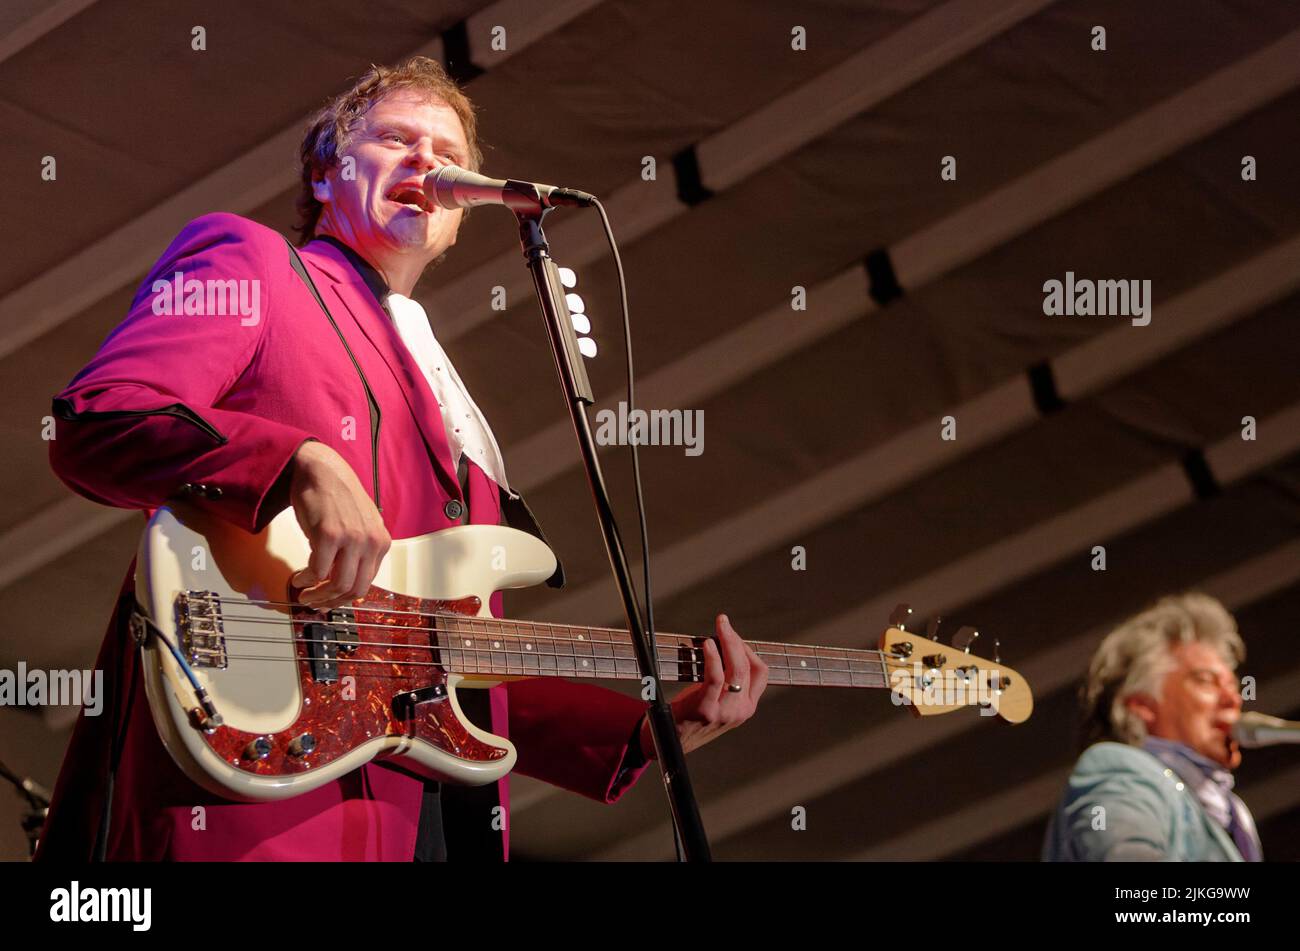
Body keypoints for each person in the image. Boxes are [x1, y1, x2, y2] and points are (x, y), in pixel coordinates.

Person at [35, 56, 767, 861]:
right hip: (254, 801)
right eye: (395, 138)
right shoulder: (256, 267)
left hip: (419, 818)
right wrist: (294, 460)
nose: (428, 161)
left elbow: (438, 653)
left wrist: (648, 730)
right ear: (324, 176)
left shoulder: (452, 407)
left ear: (463, 210)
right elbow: (99, 417)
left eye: (446, 150)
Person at [1043, 593, 1260, 861]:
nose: (1233, 699)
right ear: (1142, 705)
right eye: (1205, 680)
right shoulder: (1120, 770)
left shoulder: (1232, 814)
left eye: (1232, 686)